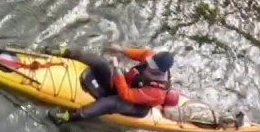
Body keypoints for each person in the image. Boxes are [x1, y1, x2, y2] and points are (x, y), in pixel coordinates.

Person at [44, 43, 178, 124]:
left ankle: (68, 117)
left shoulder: (156, 93)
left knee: (111, 103)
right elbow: (141, 53)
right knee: (101, 63)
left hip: (134, 105)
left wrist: (117, 71)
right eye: (150, 60)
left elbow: (126, 94)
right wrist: (120, 50)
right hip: (126, 84)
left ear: (161, 70)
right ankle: (66, 52)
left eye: (152, 65)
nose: (149, 63)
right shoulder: (152, 58)